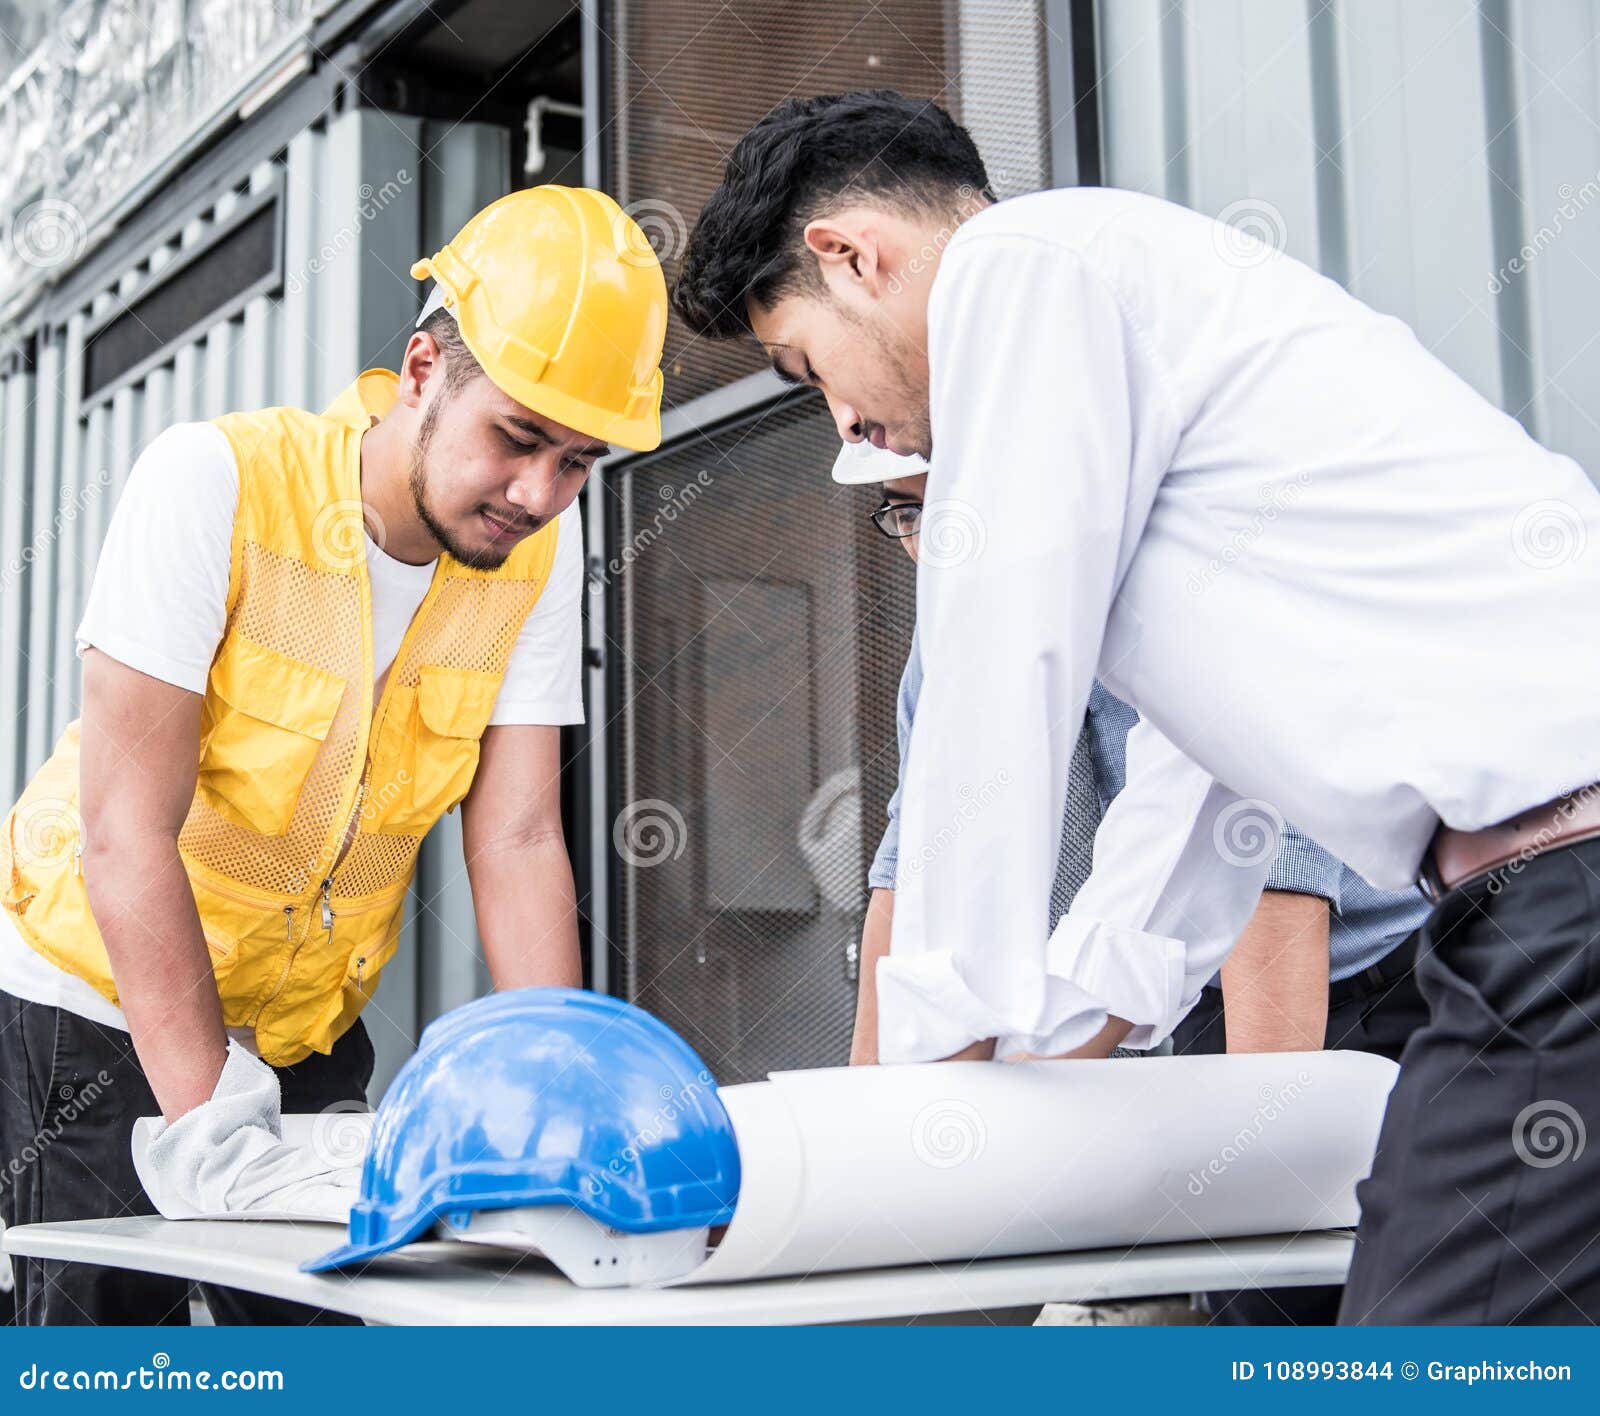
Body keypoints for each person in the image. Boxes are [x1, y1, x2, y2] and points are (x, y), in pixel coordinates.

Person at [673, 90, 1600, 1323]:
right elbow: (1191, 812)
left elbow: (996, 689)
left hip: (1565, 894)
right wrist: (1047, 1045)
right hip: (1537, 901)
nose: (843, 420)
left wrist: (926, 1100)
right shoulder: (1167, 377)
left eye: (807, 365)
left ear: (850, 255)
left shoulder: (1020, 268)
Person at [0, 186, 667, 1325]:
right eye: (517, 439)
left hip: (306, 1027)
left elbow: (515, 838)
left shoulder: (537, 557)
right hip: (100, 1009)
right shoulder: (214, 482)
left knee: (328, 1357)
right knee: (106, 1364)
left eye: (578, 462)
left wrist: (556, 1094)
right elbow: (122, 833)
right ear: (421, 370)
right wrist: (211, 1128)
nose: (538, 494)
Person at [840, 439, 1431, 1324]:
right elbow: (913, 862)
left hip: (1382, 977)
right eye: (908, 513)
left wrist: (1265, 1209)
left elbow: (1269, 895)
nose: (934, 546)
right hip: (1194, 982)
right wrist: (861, 1146)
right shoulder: (953, 636)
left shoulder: (1187, 591)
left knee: (1315, 1282)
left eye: (949, 505)